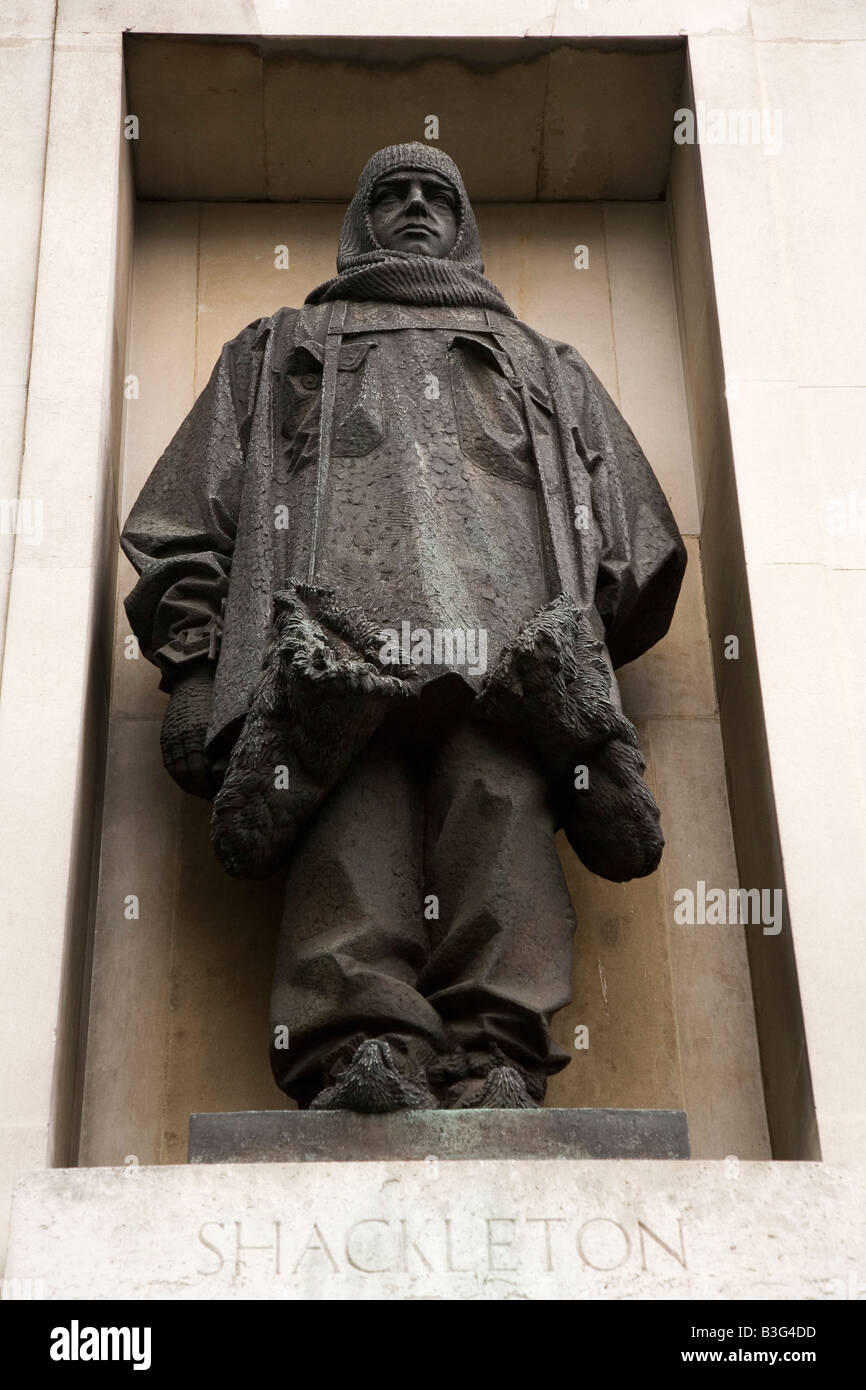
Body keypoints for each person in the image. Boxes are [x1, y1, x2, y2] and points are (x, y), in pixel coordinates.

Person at [121, 143, 686, 1113]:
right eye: (394, 193)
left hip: (507, 661)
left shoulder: (546, 365)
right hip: (330, 660)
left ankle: (494, 1056)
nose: (416, 205)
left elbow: (640, 539)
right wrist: (194, 666)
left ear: (462, 221)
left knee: (499, 821)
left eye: (437, 193)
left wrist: (574, 654)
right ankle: (359, 1046)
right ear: (361, 219)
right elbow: (184, 520)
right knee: (349, 834)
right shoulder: (275, 348)